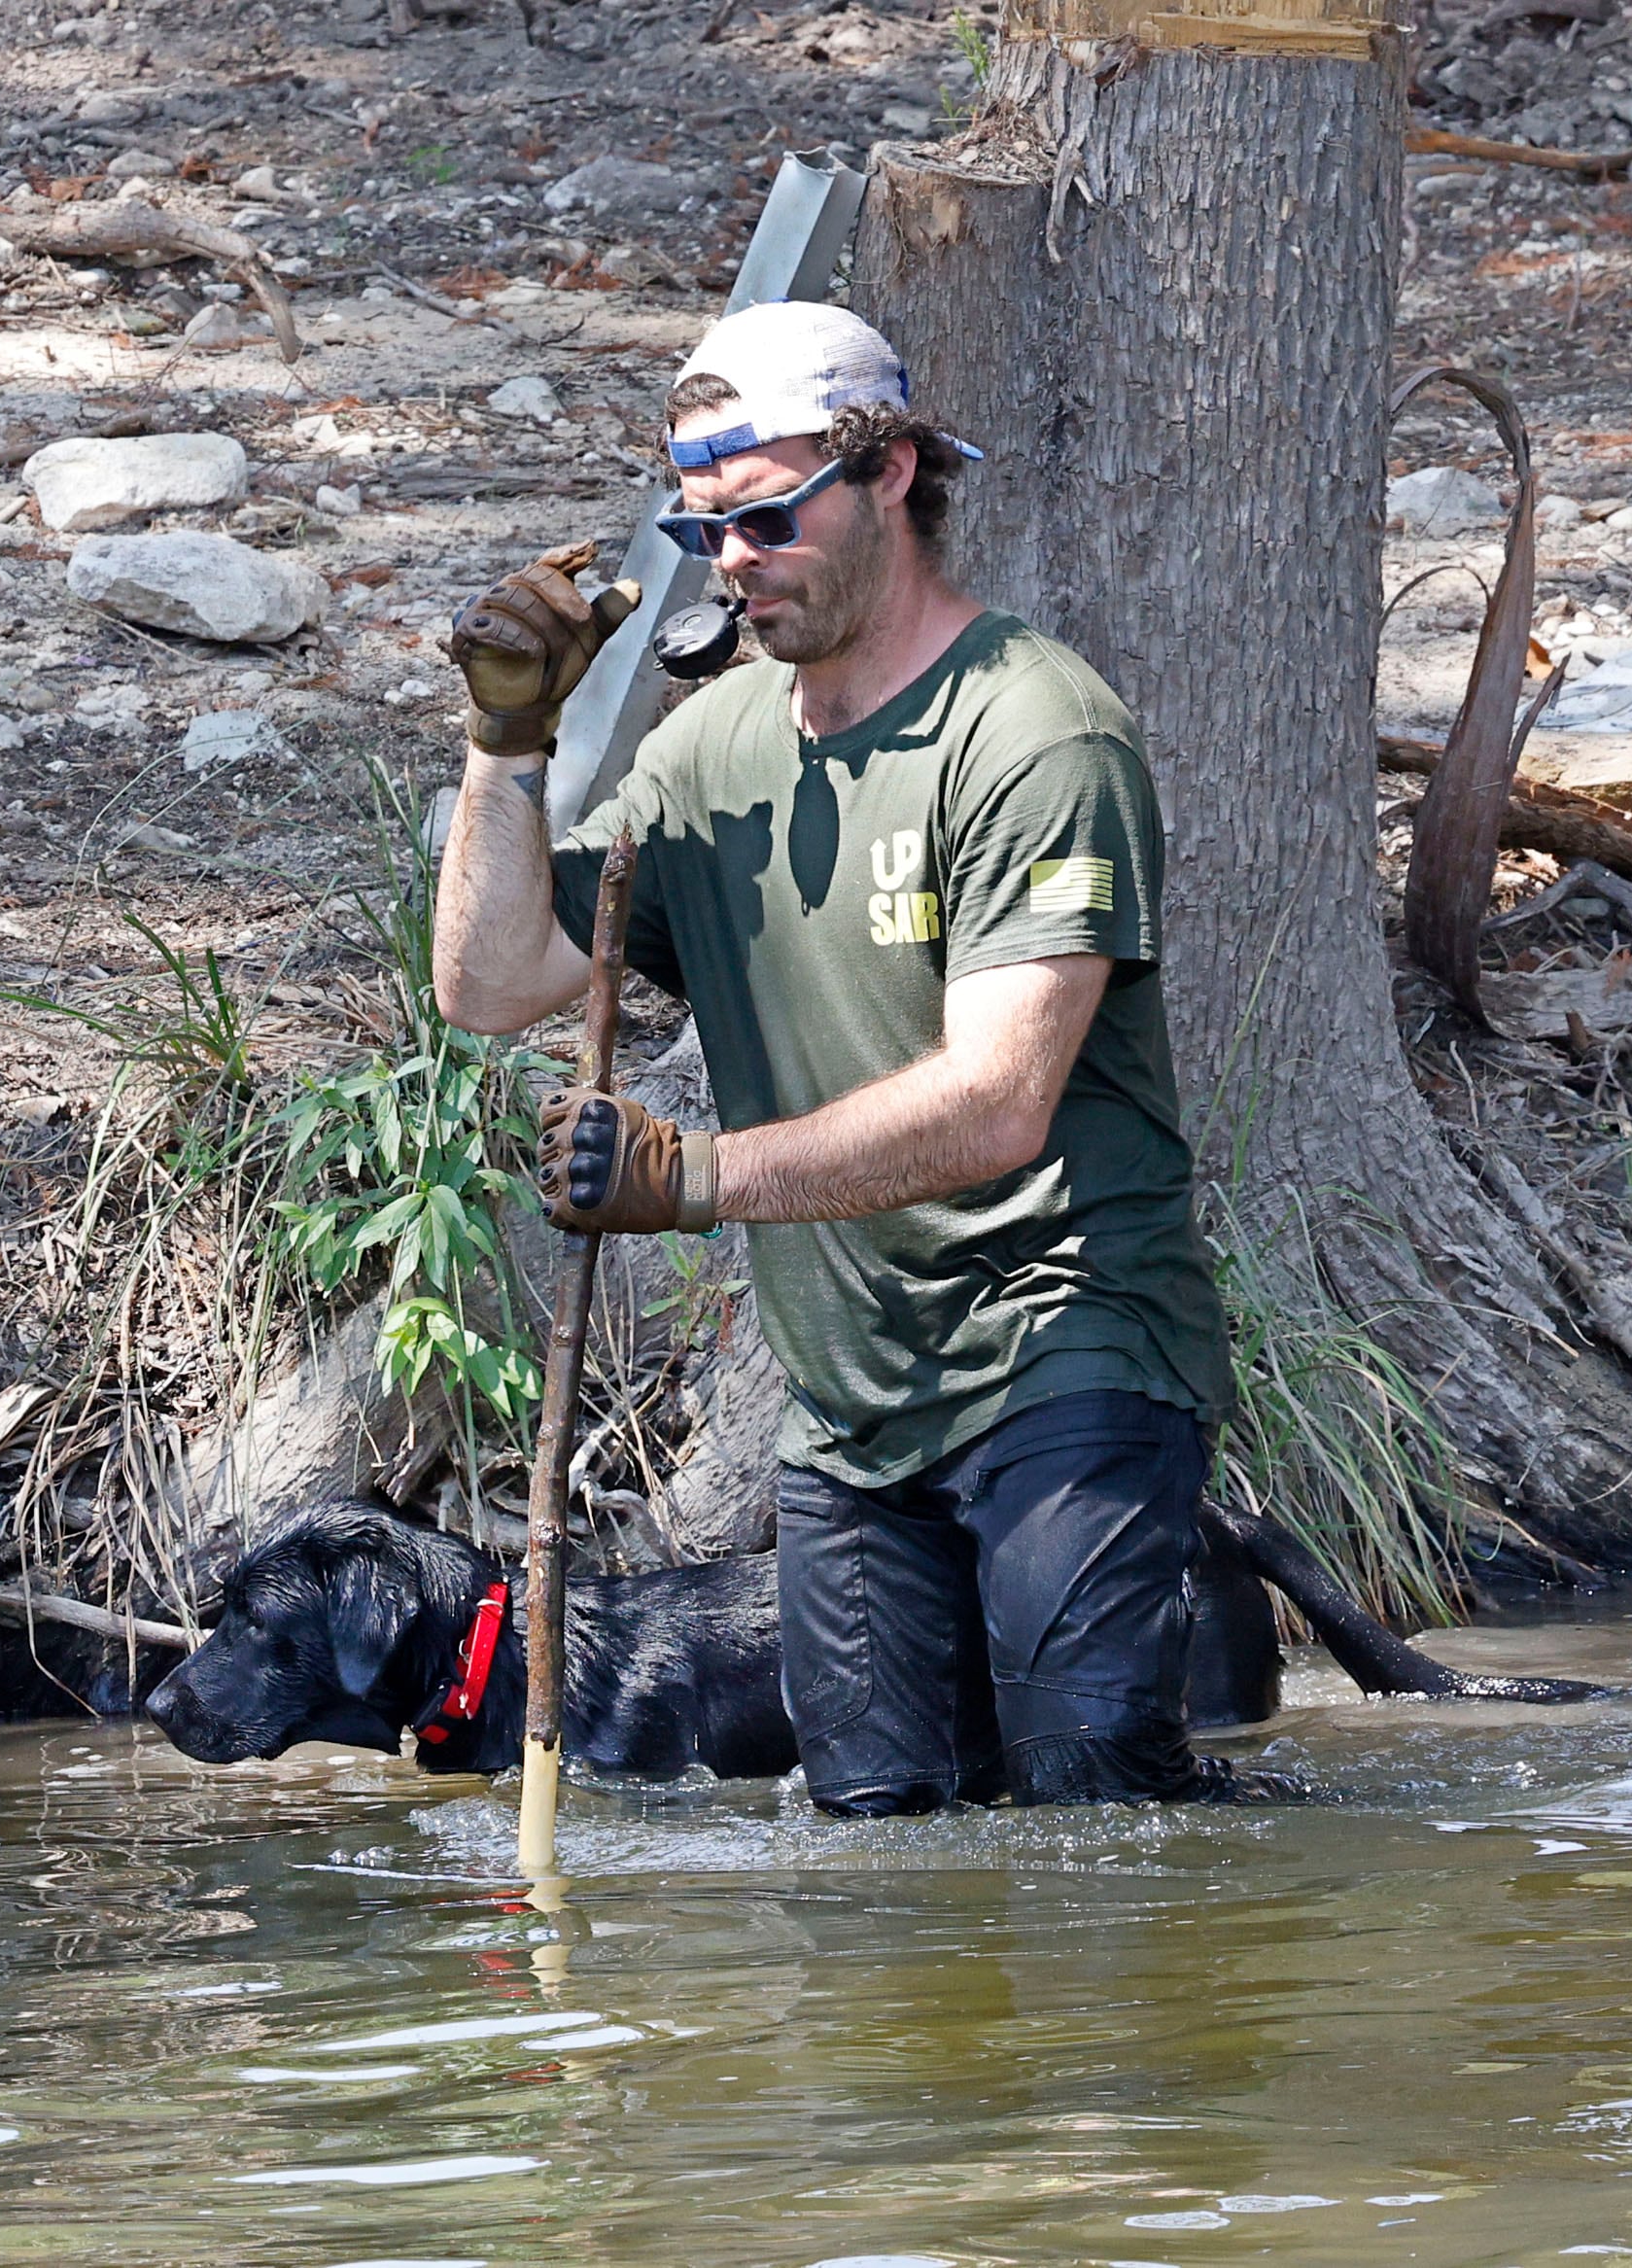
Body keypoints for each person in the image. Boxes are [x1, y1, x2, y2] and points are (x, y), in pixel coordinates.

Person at [430, 299, 1260, 1814]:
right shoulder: (711, 755)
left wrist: (696, 1178)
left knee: (1098, 1812)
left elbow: (1001, 1101)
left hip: (1065, 1351)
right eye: (706, 533)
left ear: (893, 475)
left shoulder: (1035, 731)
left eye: (767, 519)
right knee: (881, 1843)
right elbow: (491, 983)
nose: (735, 561)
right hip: (850, 1404)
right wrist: (504, 742)